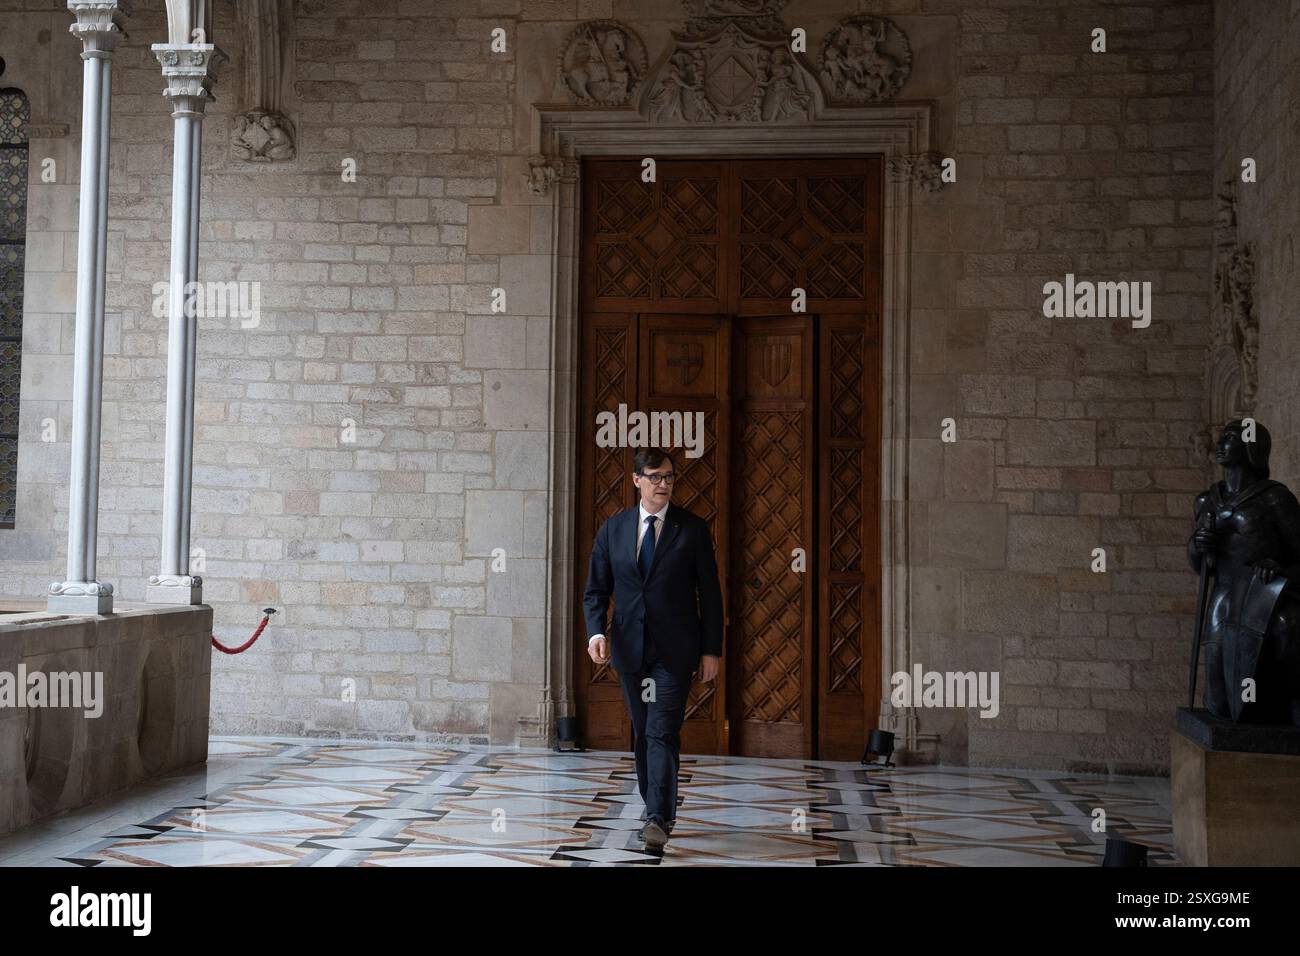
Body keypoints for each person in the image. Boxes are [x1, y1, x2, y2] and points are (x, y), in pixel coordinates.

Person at [583, 447, 724, 849]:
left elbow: (710, 594)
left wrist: (711, 649)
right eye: (655, 476)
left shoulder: (692, 530)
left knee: (662, 730)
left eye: (669, 477)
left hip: (674, 652)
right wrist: (596, 634)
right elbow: (596, 590)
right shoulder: (614, 529)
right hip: (629, 650)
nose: (663, 484)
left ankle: (658, 816)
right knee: (645, 732)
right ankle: (655, 807)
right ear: (636, 480)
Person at [1189, 420, 1300, 725]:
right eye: (1221, 438)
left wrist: (1280, 569)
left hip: (1264, 596)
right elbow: (1199, 566)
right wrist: (1200, 546)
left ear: (1251, 447)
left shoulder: (1274, 498)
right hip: (1225, 595)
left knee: (1285, 629)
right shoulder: (1207, 501)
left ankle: (1292, 702)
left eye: (1230, 439)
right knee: (1221, 702)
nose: (1221, 445)